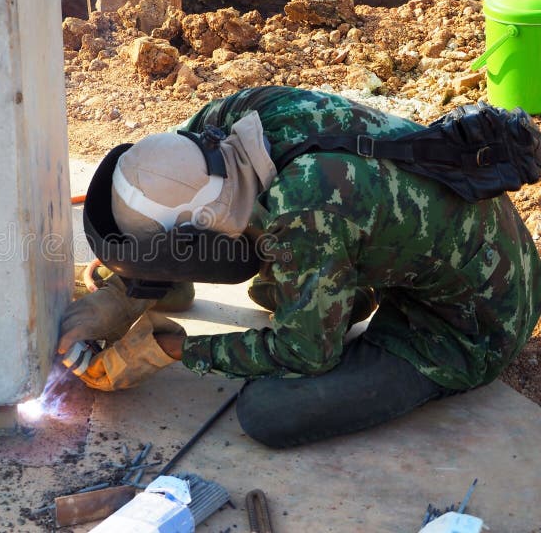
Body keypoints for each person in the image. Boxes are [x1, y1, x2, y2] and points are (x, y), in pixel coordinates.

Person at [58, 86, 541, 448]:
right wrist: (124, 294)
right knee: (279, 282)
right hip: (443, 238)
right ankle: (343, 289)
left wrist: (172, 349)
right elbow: (181, 189)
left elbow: (307, 353)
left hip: (477, 316)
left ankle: (361, 309)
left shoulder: (306, 217)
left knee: (269, 412)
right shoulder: (230, 117)